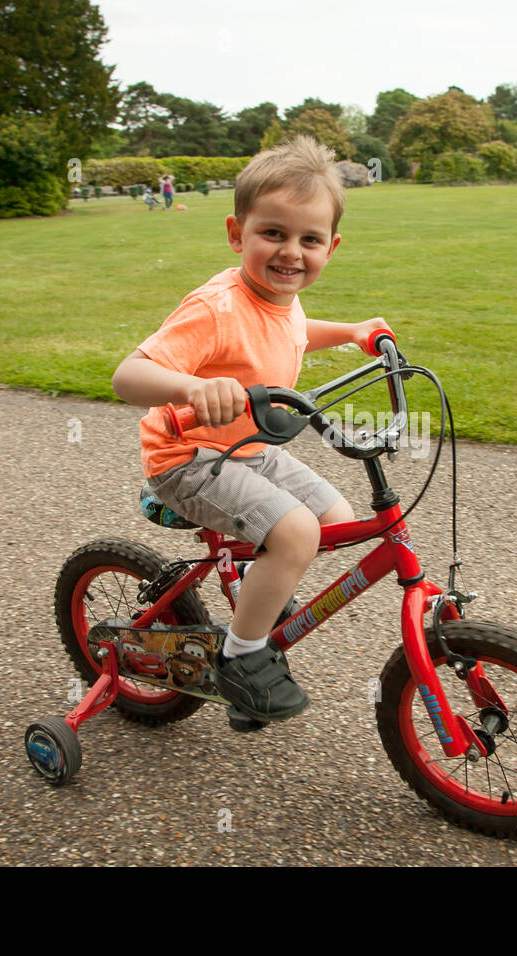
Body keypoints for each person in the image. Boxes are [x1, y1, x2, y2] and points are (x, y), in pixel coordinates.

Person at [111, 136, 391, 729]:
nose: (291, 252)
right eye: (273, 234)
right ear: (237, 235)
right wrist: (191, 389)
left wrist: (353, 331)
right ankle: (241, 659)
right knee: (295, 535)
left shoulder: (281, 295)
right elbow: (127, 375)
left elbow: (290, 331)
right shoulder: (215, 307)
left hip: (248, 451)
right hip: (189, 458)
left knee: (335, 525)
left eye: (308, 240)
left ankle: (256, 595)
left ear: (330, 247)